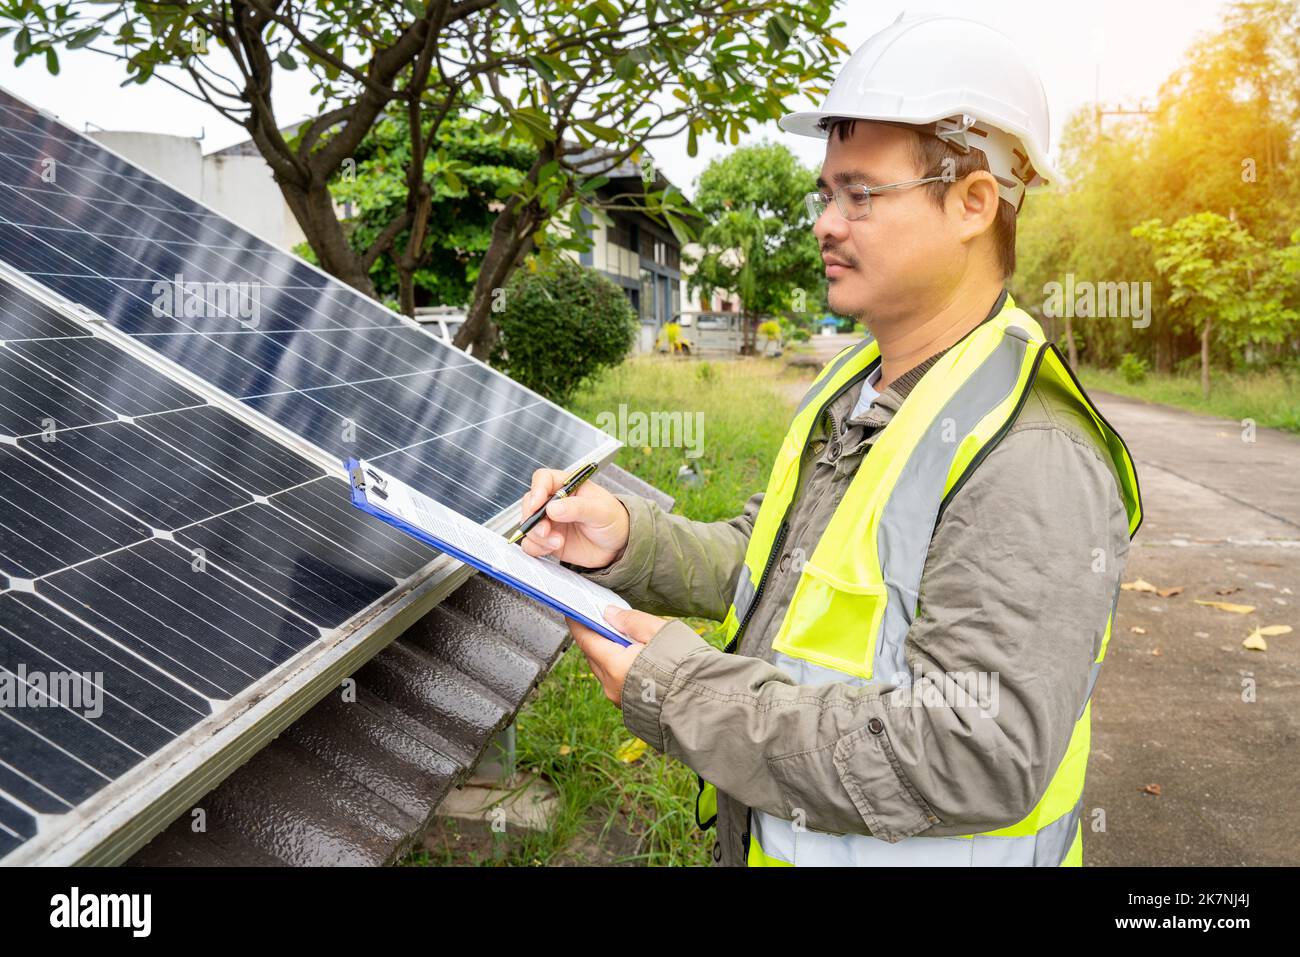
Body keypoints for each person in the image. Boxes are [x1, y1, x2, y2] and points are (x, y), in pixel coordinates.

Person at [518, 13, 1142, 866]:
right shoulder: (859, 385)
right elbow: (776, 563)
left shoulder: (1032, 451)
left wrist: (683, 688)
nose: (825, 223)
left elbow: (975, 749)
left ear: (971, 203)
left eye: (861, 194)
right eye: (827, 193)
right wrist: (629, 537)